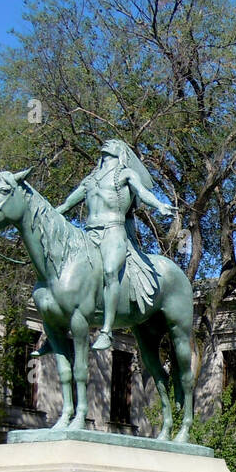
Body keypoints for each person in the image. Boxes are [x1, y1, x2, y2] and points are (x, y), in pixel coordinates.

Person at [55, 138, 172, 351]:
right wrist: (51, 213)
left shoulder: (125, 174)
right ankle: (55, 330)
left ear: (121, 152)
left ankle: (107, 331)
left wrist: (159, 205)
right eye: (107, 142)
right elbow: (68, 203)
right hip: (89, 233)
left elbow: (143, 193)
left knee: (110, 271)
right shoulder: (91, 179)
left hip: (113, 231)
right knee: (64, 271)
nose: (109, 143)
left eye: (114, 143)